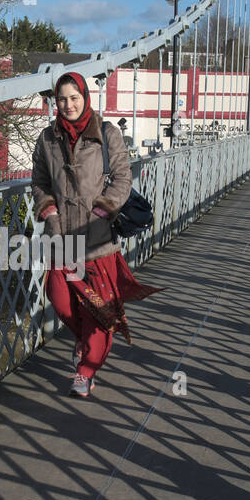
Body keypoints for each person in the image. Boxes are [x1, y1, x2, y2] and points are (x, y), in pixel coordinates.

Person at [31, 72, 162, 397]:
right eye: (62, 99)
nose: (68, 104)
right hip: (62, 238)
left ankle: (86, 370)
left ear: (85, 97)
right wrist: (50, 213)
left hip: (98, 240)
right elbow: (39, 181)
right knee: (60, 300)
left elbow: (122, 178)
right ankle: (82, 339)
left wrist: (101, 213)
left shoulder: (106, 132)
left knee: (99, 308)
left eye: (74, 97)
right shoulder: (47, 138)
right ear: (55, 102)